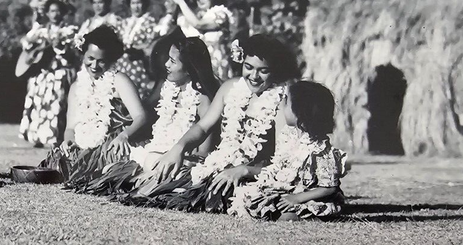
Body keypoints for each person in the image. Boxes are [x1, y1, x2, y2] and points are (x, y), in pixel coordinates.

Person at [127, 33, 299, 213]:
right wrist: (178, 149)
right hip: (218, 164)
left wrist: (244, 170)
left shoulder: (281, 101)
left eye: (263, 71)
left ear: (275, 70)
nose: (254, 76)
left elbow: (283, 161)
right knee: (157, 166)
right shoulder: (230, 87)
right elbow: (203, 127)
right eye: (248, 67)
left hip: (255, 174)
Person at [83, 36, 218, 198]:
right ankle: (144, 181)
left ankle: (154, 184)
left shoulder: (203, 99)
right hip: (157, 152)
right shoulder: (168, 88)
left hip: (181, 162)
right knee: (110, 168)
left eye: (172, 61)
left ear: (189, 69)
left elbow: (204, 153)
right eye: (168, 59)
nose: (166, 64)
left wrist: (175, 156)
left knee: (151, 162)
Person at [41, 25, 148, 190]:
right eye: (90, 58)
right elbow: (71, 127)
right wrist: (69, 140)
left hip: (113, 144)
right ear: (83, 54)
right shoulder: (76, 87)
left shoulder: (119, 80)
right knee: (57, 164)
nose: (95, 65)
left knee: (107, 171)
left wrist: (124, 136)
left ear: (110, 60)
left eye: (101, 60)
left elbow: (141, 117)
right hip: (84, 143)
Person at [230, 80, 348, 220]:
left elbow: (329, 188)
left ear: (300, 113)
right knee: (253, 201)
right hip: (288, 191)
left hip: (310, 197)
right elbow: (279, 169)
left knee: (286, 217)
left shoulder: (320, 151)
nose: (282, 105)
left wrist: (296, 198)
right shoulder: (288, 136)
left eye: (286, 102)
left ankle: (303, 216)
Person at [16, 0, 78, 147]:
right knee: (37, 104)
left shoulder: (68, 31)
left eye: (58, 11)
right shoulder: (41, 30)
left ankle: (53, 138)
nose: (55, 14)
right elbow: (26, 43)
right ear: (47, 13)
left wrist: (61, 47)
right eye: (52, 11)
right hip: (41, 73)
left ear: (63, 13)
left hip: (59, 73)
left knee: (56, 105)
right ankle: (35, 137)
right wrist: (33, 46)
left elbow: (73, 53)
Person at [172, 0, 235, 82]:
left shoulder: (220, 13)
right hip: (202, 64)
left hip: (218, 62)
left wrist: (181, 2)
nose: (200, 0)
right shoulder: (198, 15)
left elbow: (198, 24)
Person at [115, 0, 157, 99]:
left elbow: (150, 43)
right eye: (133, 3)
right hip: (121, 63)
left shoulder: (149, 21)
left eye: (139, 3)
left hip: (138, 63)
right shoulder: (124, 23)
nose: (136, 7)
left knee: (136, 94)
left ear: (144, 4)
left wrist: (135, 47)